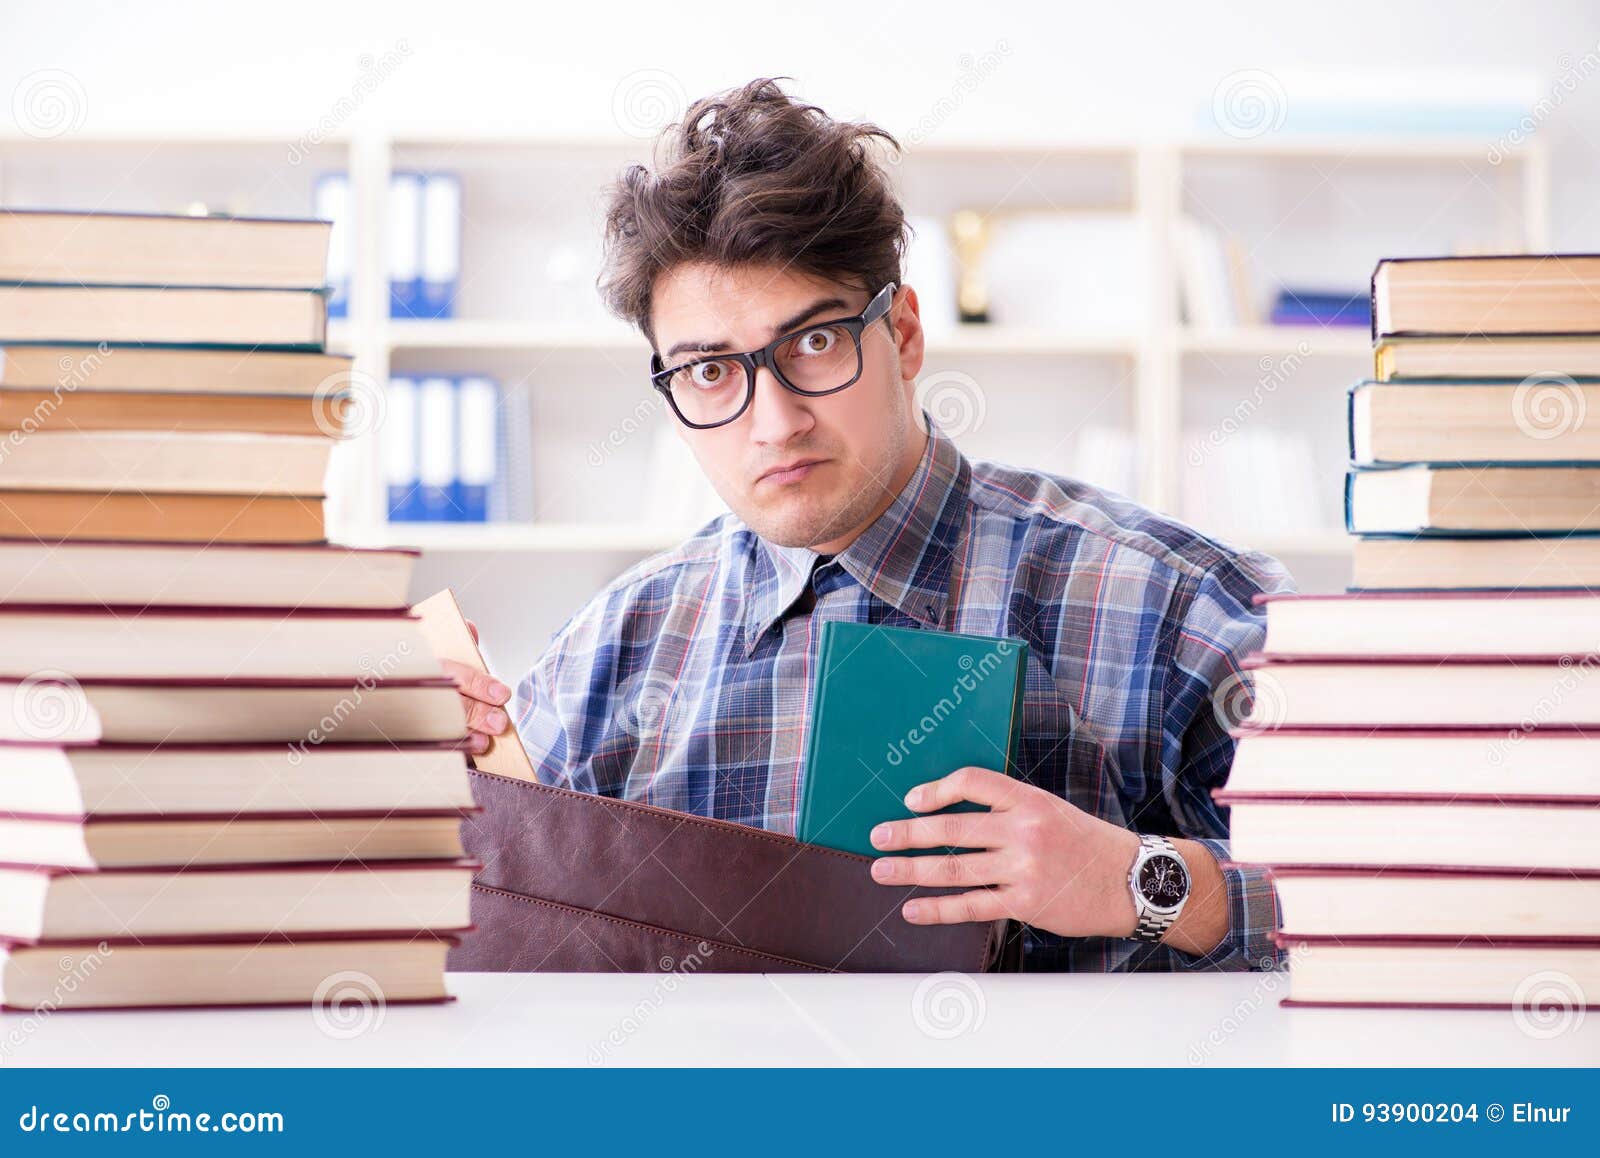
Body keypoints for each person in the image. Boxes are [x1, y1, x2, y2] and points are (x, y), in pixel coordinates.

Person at [443, 77, 1293, 971]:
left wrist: (1138, 879)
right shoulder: (611, 654)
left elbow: (1407, 899)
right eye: (708, 373)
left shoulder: (1171, 602)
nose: (773, 422)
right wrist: (409, 784)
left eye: (813, 343)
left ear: (907, 336)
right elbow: (483, 954)